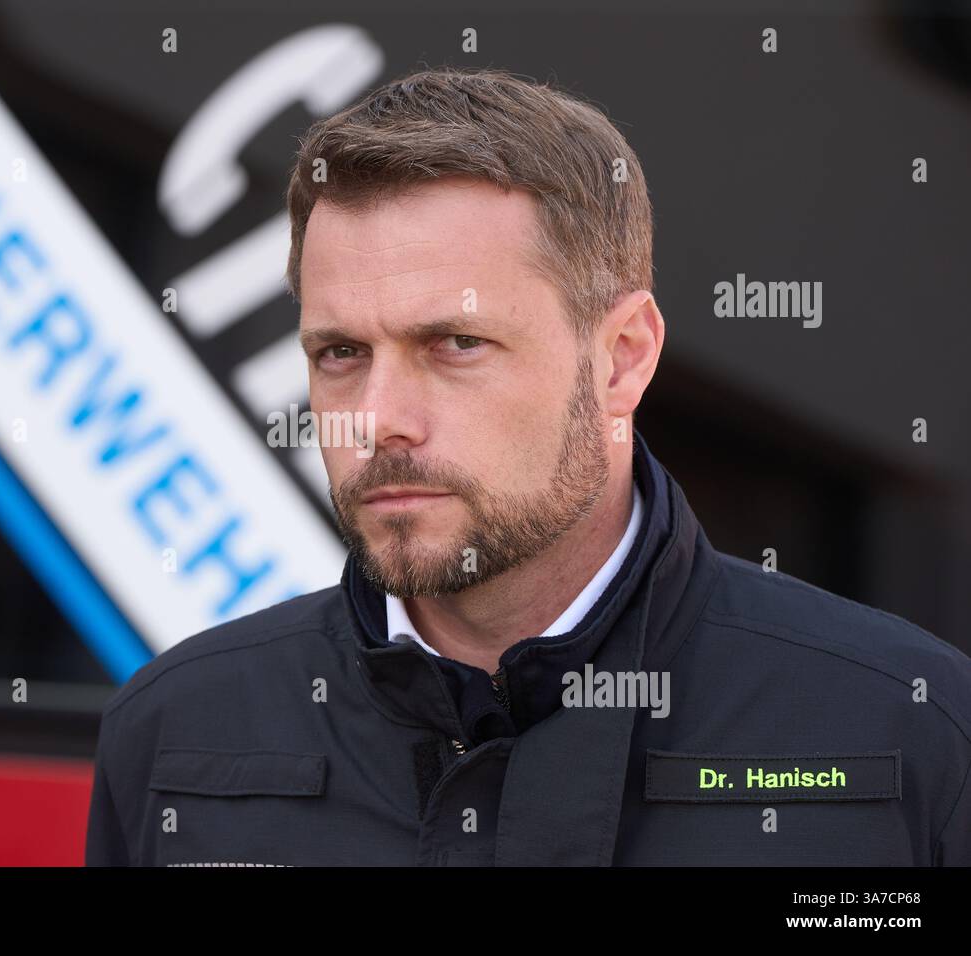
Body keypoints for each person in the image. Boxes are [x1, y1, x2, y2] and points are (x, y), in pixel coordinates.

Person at [86, 67, 971, 866]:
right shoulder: (173, 735)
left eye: (456, 343)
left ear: (622, 357)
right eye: (341, 352)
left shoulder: (910, 732)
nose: (380, 421)